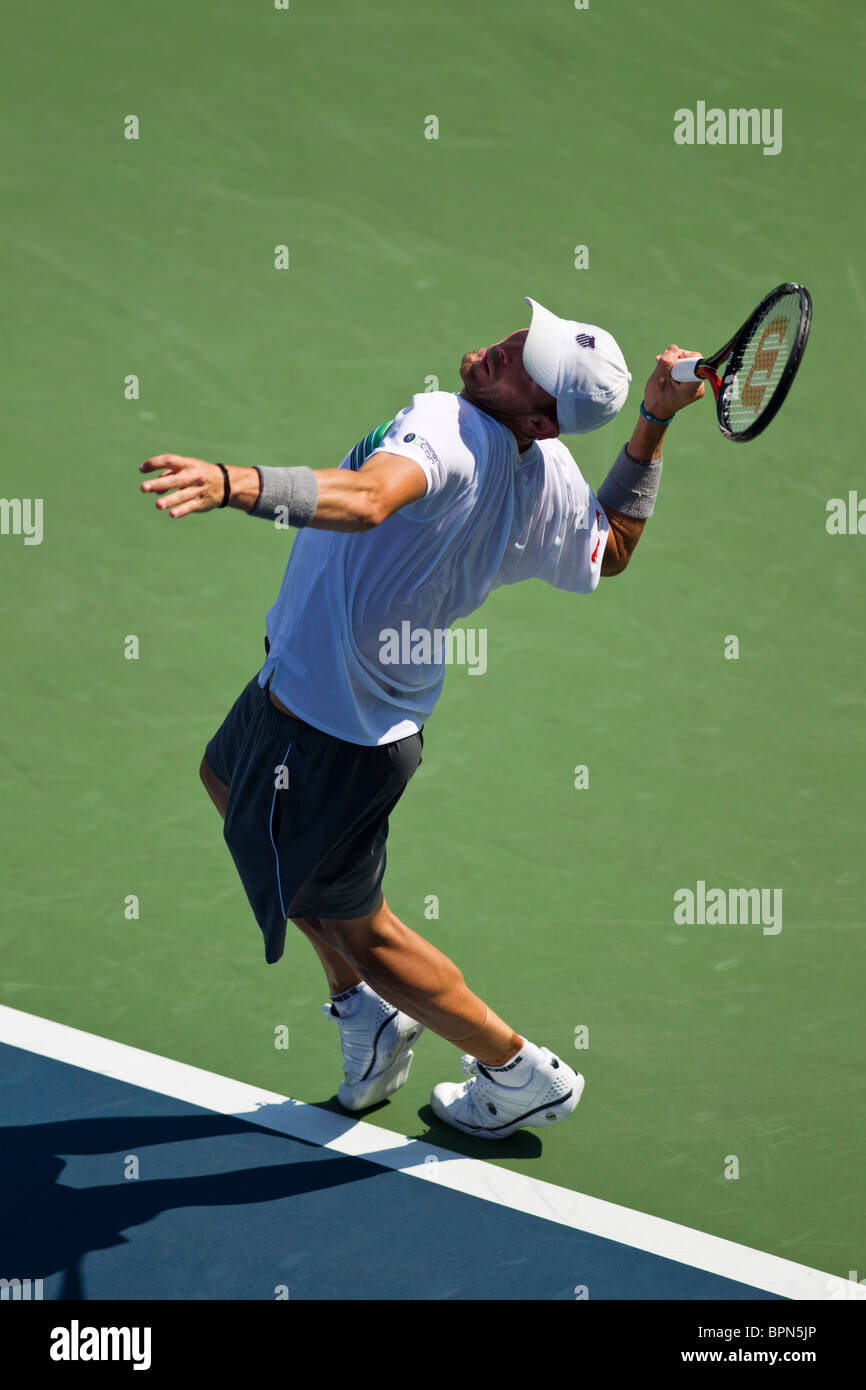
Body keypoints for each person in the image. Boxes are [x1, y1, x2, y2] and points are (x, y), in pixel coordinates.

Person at [138, 296, 704, 1138]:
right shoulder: (544, 474)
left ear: (543, 419)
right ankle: (369, 1015)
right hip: (321, 700)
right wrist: (653, 422)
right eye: (524, 337)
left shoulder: (445, 422)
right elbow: (609, 548)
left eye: (524, 364)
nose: (504, 348)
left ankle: (515, 1069)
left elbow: (366, 500)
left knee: (366, 932)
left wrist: (235, 484)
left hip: (330, 731)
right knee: (226, 783)